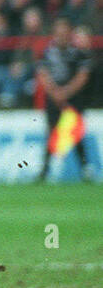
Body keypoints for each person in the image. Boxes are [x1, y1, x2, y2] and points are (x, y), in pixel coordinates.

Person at [37, 19, 93, 180]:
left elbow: (83, 76)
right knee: (52, 132)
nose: (61, 36)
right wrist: (55, 92)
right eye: (58, 32)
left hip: (73, 99)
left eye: (64, 32)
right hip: (54, 99)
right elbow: (43, 75)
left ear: (70, 33)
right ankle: (45, 170)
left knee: (75, 134)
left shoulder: (79, 54)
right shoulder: (47, 53)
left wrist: (65, 92)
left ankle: (85, 169)